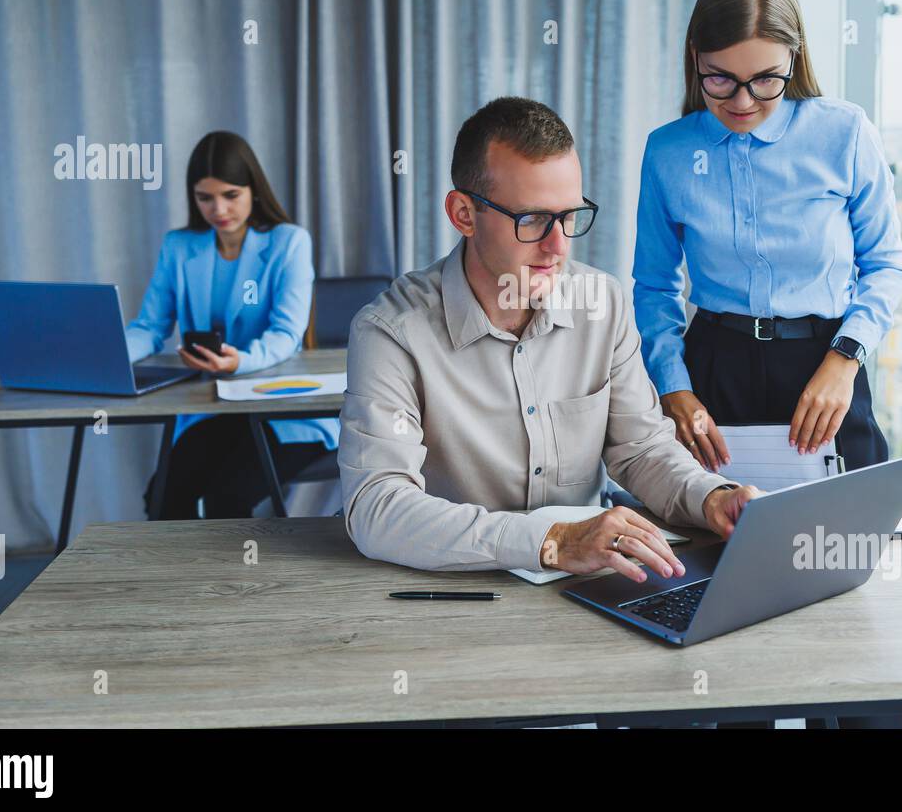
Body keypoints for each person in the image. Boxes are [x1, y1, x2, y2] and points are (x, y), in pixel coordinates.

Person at [633, 0, 902, 727]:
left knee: (844, 585)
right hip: (713, 369)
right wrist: (675, 387)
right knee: (725, 590)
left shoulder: (843, 132)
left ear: (796, 59)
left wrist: (845, 359)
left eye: (766, 81)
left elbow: (887, 265)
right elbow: (653, 289)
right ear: (695, 59)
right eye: (720, 82)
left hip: (823, 368)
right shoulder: (666, 151)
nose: (744, 103)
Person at [338, 97, 763, 578]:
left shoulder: (603, 304)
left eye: (569, 216)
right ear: (463, 214)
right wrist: (553, 541)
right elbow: (376, 508)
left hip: (586, 588)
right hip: (450, 592)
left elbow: (642, 449)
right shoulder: (391, 333)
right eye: (533, 220)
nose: (558, 246)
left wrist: (711, 496)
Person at [125, 130, 339, 519]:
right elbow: (149, 326)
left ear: (252, 190)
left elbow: (286, 335)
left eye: (230, 195)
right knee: (163, 496)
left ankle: (237, 580)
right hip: (218, 409)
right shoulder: (179, 247)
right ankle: (185, 581)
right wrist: (107, 356)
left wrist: (237, 361)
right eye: (204, 198)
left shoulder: (289, 242)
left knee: (228, 497)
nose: (218, 209)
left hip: (285, 410)